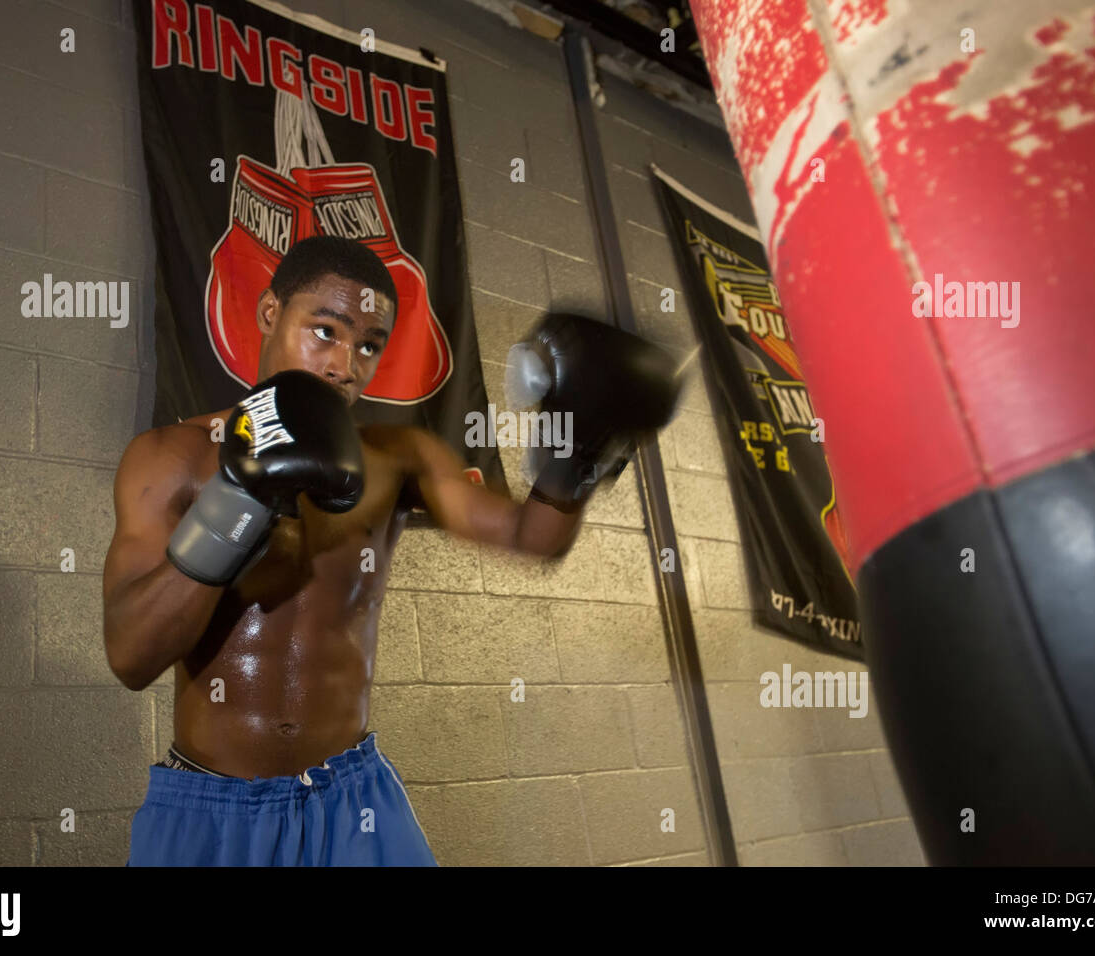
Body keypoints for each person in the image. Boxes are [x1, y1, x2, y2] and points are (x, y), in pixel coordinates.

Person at [105, 234, 681, 866]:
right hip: (212, 813)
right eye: (325, 330)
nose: (344, 365)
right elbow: (132, 658)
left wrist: (574, 463)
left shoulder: (397, 459)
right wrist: (239, 504)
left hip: (354, 802)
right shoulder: (172, 456)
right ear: (271, 312)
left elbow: (529, 536)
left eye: (369, 345)